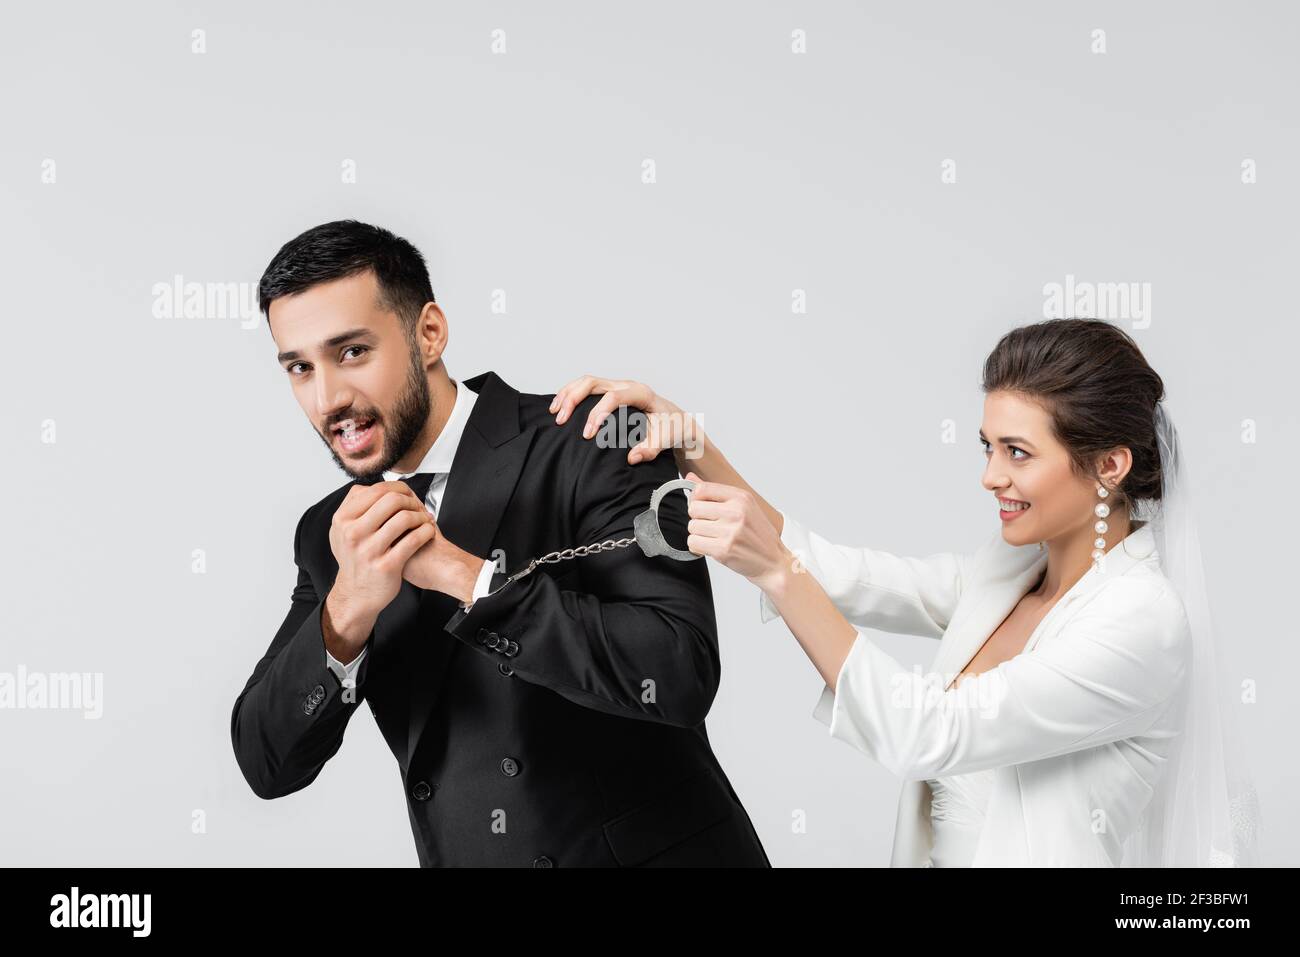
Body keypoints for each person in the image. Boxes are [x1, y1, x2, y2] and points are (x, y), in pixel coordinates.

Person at [549, 318, 1262, 866]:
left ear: (1109, 464)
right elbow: (840, 573)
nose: (990, 476)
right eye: (987, 446)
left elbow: (929, 732)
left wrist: (776, 573)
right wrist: (692, 442)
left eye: (1018, 451)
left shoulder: (1140, 620)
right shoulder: (1010, 570)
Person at [230, 220, 769, 867]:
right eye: (299, 367)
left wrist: (465, 575)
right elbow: (266, 763)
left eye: (351, 353)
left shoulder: (594, 433)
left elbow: (678, 672)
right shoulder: (331, 532)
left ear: (428, 332)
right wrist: (345, 612)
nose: (328, 399)